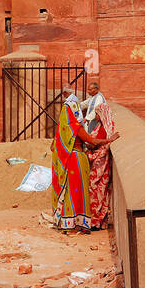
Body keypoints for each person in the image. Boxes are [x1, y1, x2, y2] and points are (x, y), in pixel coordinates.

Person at [44, 92, 110, 233]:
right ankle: (79, 224)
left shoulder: (61, 129)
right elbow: (91, 141)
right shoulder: (75, 127)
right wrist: (109, 140)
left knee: (69, 192)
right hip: (77, 161)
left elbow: (52, 147)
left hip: (67, 162)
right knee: (79, 192)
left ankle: (67, 223)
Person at [80, 82, 119, 229]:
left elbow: (99, 146)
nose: (95, 115)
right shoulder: (100, 127)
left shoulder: (103, 130)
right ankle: (98, 222)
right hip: (98, 164)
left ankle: (96, 222)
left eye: (96, 113)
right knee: (98, 194)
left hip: (99, 166)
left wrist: (90, 149)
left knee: (96, 192)